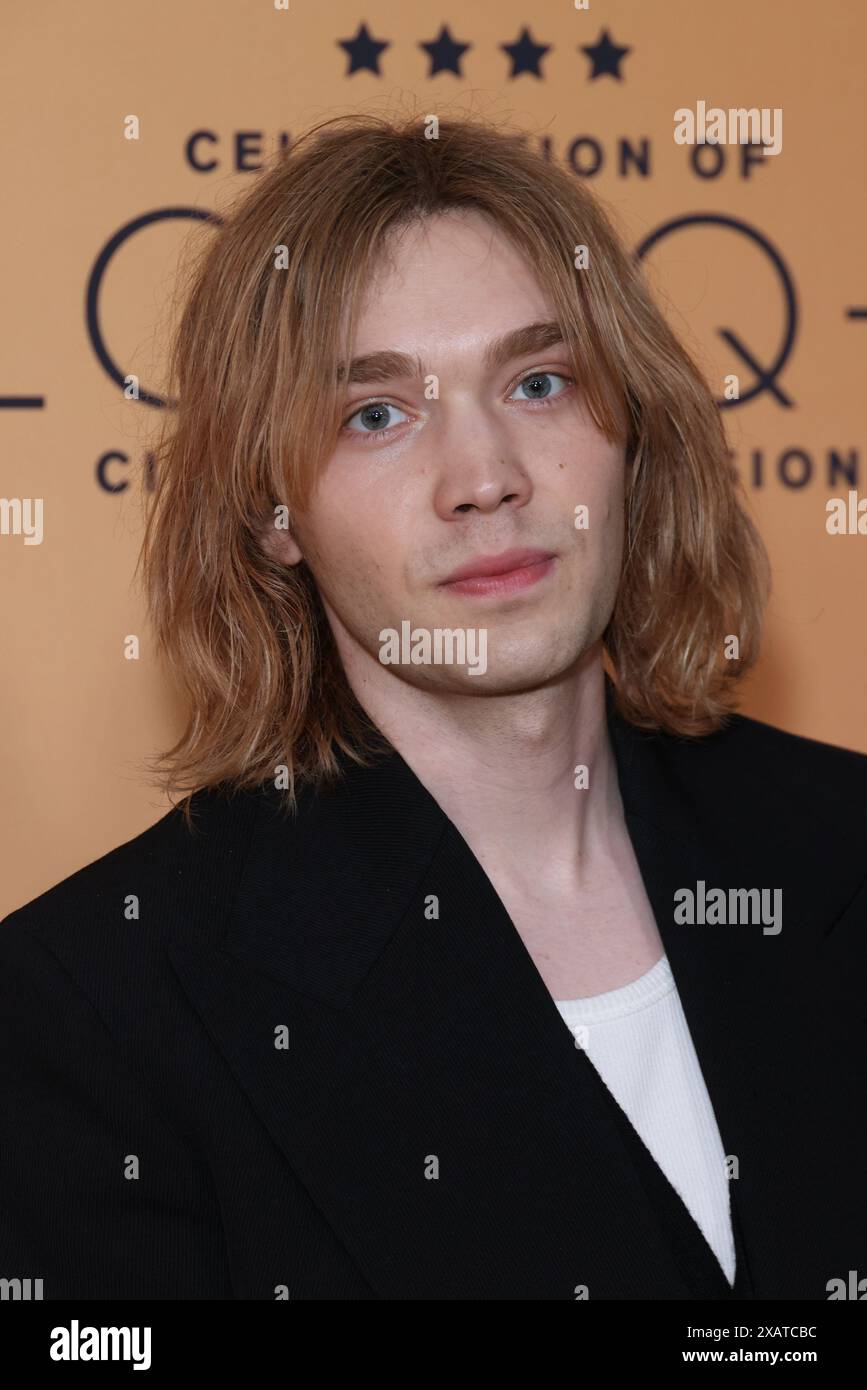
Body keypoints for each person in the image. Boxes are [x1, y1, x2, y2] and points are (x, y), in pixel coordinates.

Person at [1, 113, 865, 1301]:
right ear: (274, 513)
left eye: (540, 381)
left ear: (634, 433)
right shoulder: (93, 1011)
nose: (486, 478)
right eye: (377, 413)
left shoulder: (839, 837)